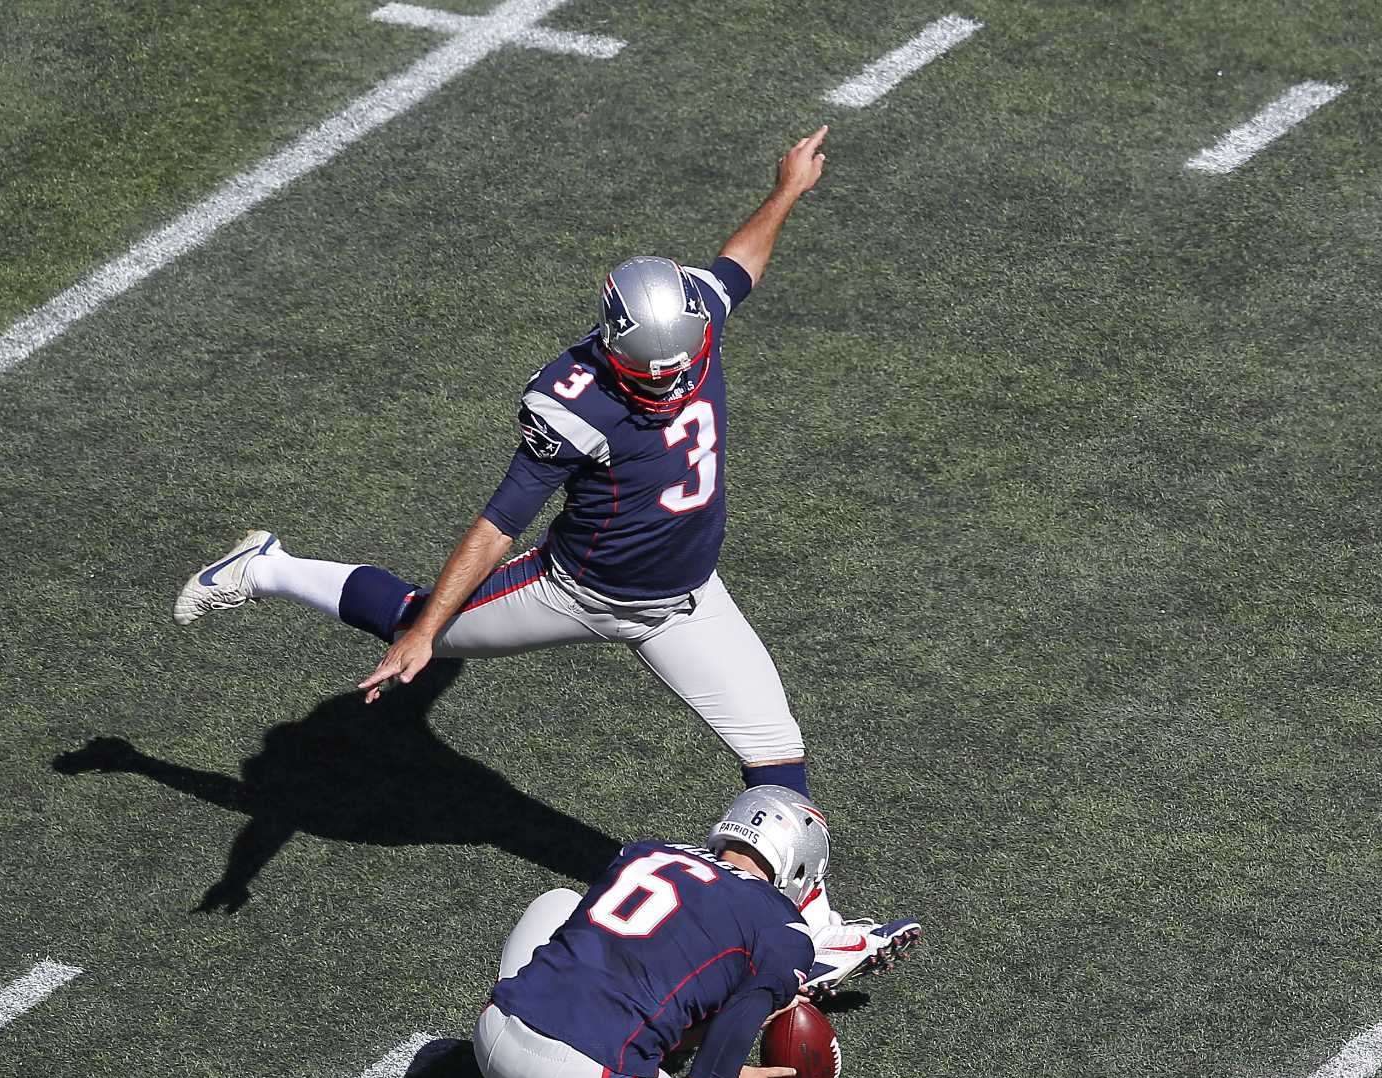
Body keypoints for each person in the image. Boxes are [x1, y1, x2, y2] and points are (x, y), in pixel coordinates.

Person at [171, 126, 915, 990]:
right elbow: (498, 525)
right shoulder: (574, 401)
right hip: (578, 590)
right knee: (422, 622)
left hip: (686, 599)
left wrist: (786, 190)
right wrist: (424, 639)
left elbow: (739, 262)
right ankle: (266, 566)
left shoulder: (690, 315)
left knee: (778, 755)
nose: (674, 383)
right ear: (615, 345)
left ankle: (814, 927)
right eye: (656, 373)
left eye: (684, 366)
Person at [472, 785, 832, 1078]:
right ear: (799, 869)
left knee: (560, 901)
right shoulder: (782, 932)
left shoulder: (647, 853)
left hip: (495, 1034)